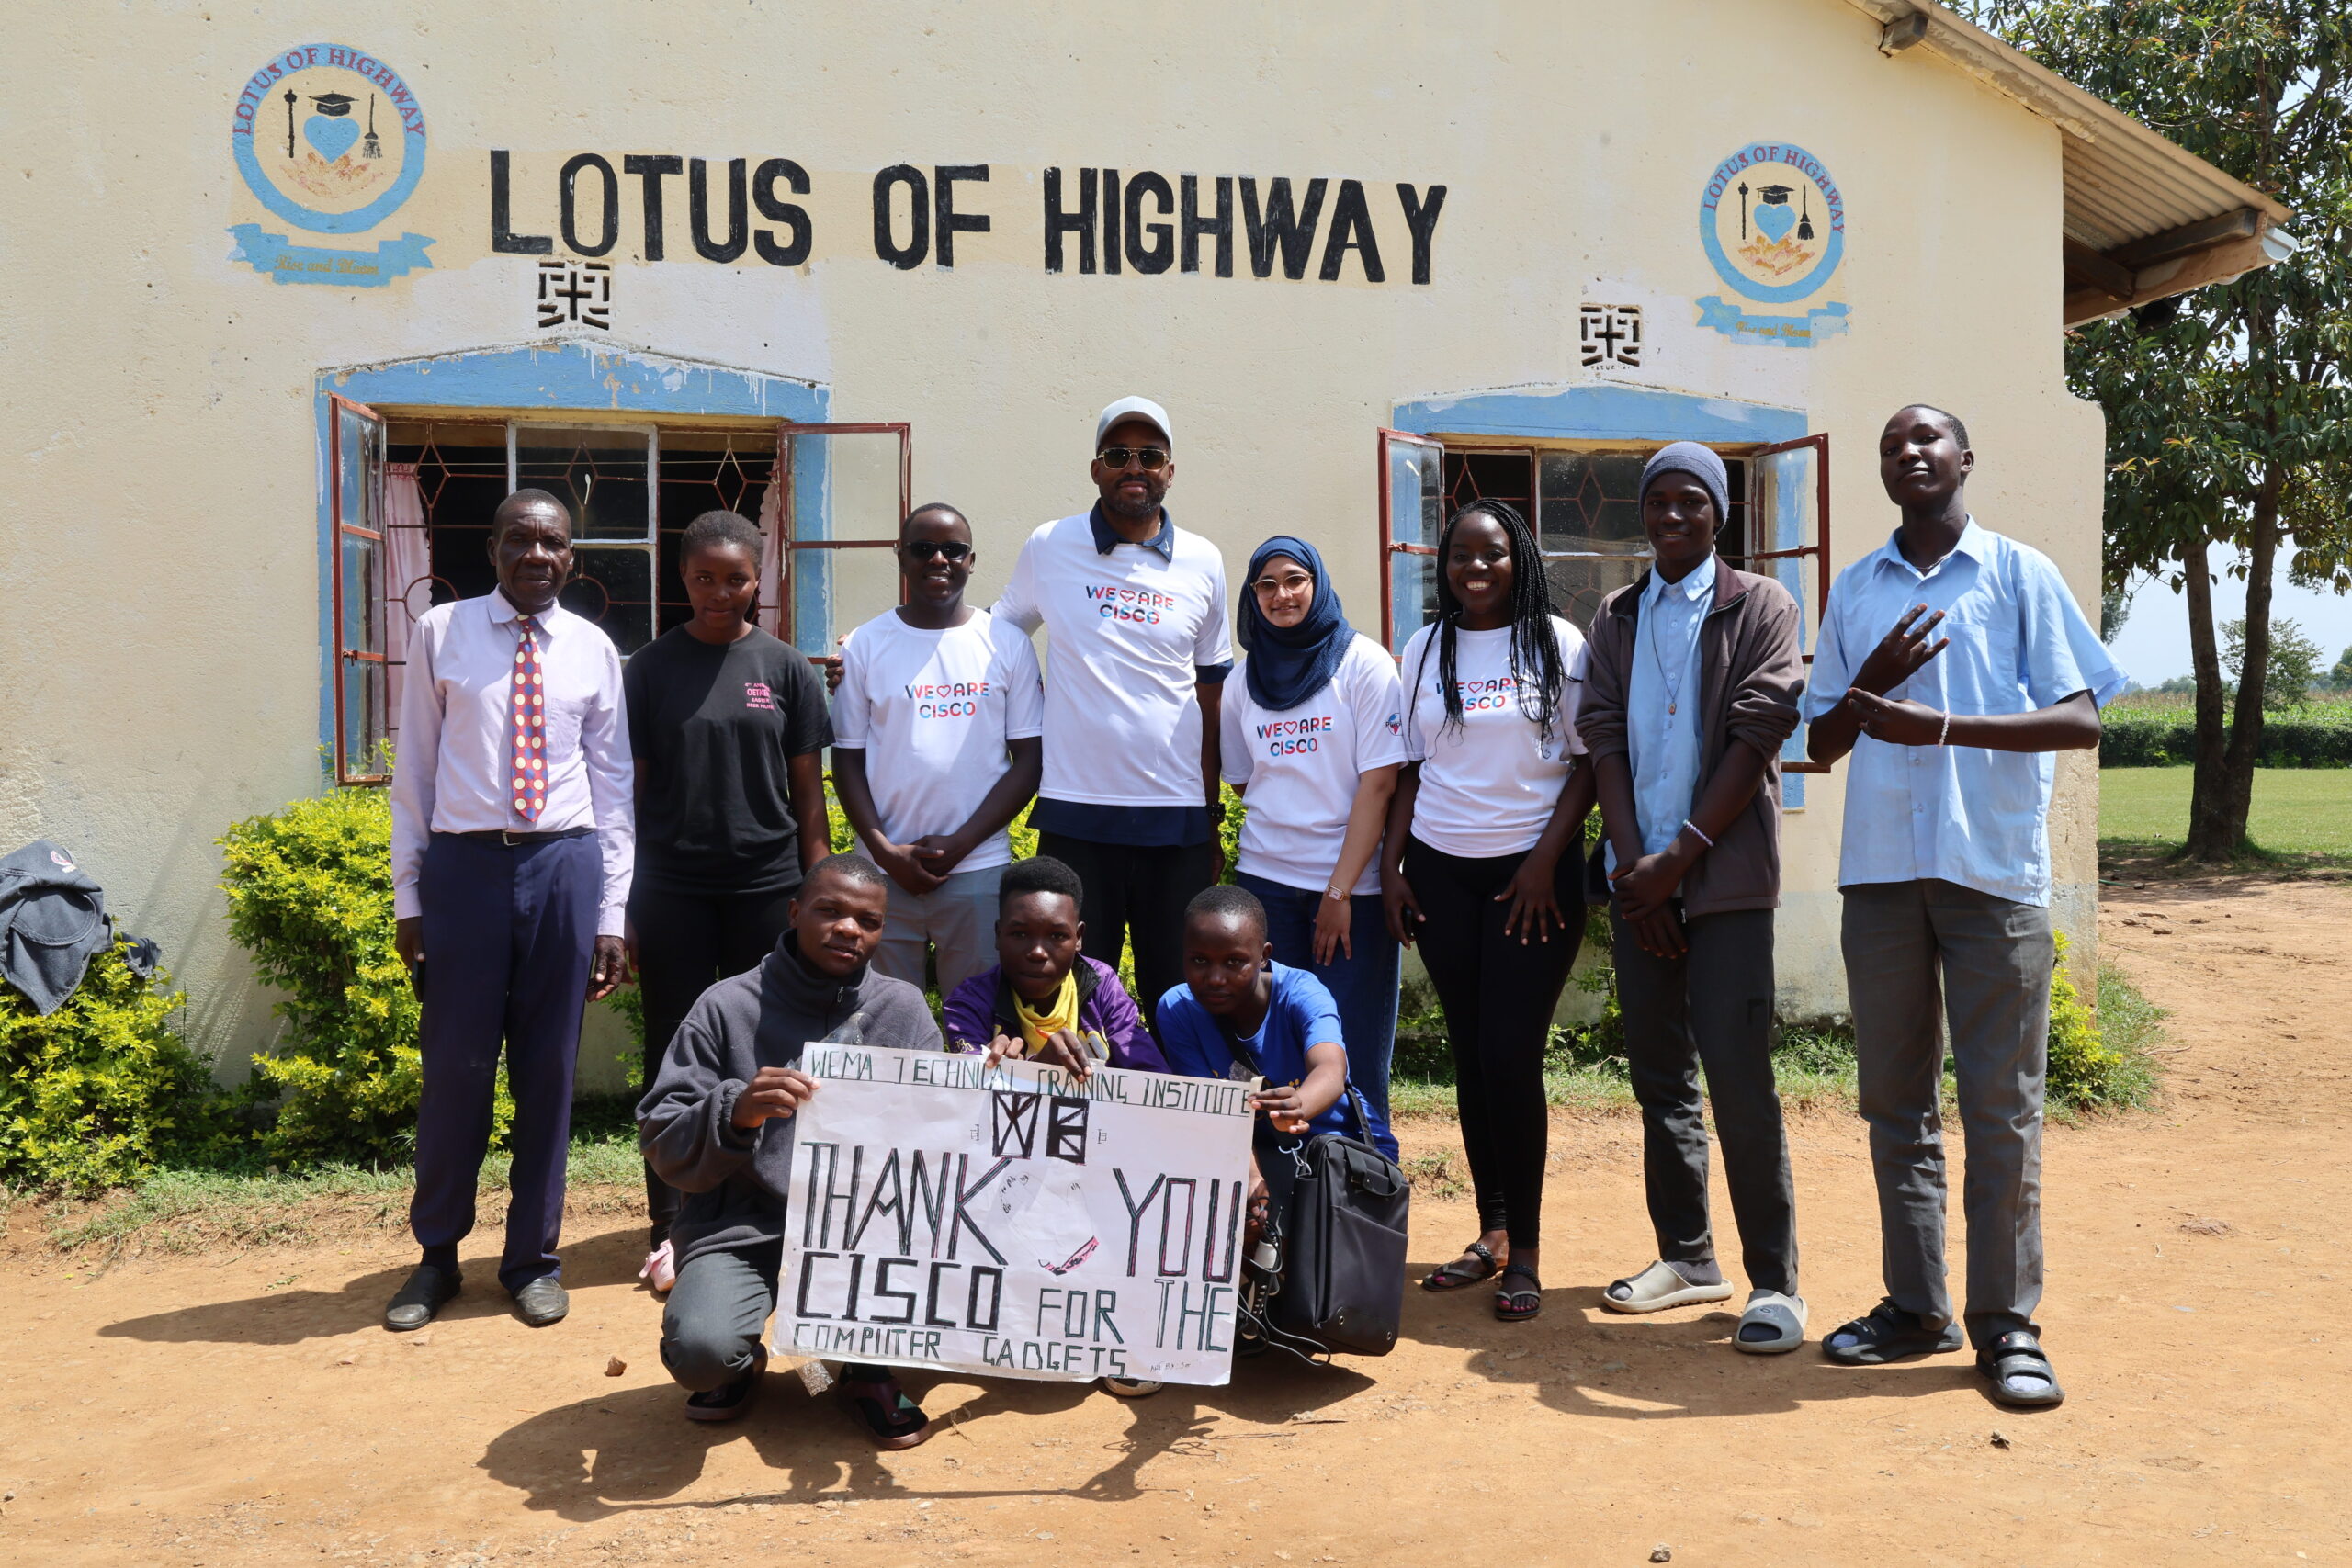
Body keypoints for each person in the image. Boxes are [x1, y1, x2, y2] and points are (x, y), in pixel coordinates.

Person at [1804, 405, 2122, 1409]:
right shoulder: (1855, 588)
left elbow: (2080, 716)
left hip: (1993, 876)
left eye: (1927, 439)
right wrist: (1867, 686)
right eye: (1892, 442)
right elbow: (1818, 743)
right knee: (1894, 1104)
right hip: (1884, 878)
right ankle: (1914, 1307)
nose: (1909, 451)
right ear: (1883, 471)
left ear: (1963, 459)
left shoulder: (2018, 575)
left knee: (2001, 1106)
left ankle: (2007, 1325)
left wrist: (1938, 722)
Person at [1577, 443, 1809, 1354]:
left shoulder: (1762, 606)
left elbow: (1757, 733)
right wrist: (1637, 873)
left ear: (1720, 514)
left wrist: (1678, 862)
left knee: (1739, 1081)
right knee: (1659, 1078)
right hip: (1643, 883)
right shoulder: (1617, 613)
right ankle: (1687, 1255)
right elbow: (1600, 735)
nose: (1672, 518)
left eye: (1692, 504)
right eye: (1658, 504)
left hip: (1724, 887)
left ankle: (1775, 1283)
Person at [387, 489, 633, 1332]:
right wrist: (410, 895)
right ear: (492, 548)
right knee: (454, 1069)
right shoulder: (440, 633)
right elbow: (413, 773)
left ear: (572, 557)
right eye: (520, 540)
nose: (537, 555)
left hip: (563, 864)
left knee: (548, 1072)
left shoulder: (594, 649)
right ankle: (437, 1257)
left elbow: (614, 788)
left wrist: (611, 914)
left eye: (553, 543)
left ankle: (531, 1259)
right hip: (463, 868)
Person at [637, 853, 946, 1447]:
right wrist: (737, 1110)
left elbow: (946, 1128)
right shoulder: (725, 1005)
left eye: (868, 920)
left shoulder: (902, 1009)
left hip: (863, 1233)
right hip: (742, 1225)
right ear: (796, 911)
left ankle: (857, 1371)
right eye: (830, 911)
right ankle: (745, 1359)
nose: (849, 929)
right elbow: (661, 1133)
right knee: (703, 1353)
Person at [1383, 499, 1593, 1324]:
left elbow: (1586, 764)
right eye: (1461, 554)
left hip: (1531, 880)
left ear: (1520, 559)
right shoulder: (1425, 647)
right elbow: (1407, 766)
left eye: (1493, 554)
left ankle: (1529, 1252)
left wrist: (1545, 859)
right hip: (1440, 872)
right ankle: (1492, 1231)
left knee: (1511, 1055)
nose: (1475, 567)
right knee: (1472, 1056)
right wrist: (1395, 868)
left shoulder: (1558, 642)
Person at [622, 509, 832, 1293]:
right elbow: (629, 795)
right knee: (674, 1050)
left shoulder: (786, 669)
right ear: (683, 578)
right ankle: (672, 1211)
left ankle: (766, 1200)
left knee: (766, 1050)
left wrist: (814, 893)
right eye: (704, 577)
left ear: (758, 580)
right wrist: (626, 903)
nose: (720, 591)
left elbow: (808, 795)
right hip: (672, 888)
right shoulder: (647, 670)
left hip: (767, 888)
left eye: (736, 577)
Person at [993, 397, 1233, 1027]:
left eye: (1150, 455)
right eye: (1119, 454)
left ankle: (1177, 1126)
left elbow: (1213, 694)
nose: (1136, 465)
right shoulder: (1050, 545)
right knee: (1065, 998)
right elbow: (995, 634)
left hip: (1174, 822)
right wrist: (890, 642)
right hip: (1078, 817)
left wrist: (1211, 815)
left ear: (1171, 471)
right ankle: (1073, 1125)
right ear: (1096, 469)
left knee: (1177, 998)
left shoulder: (1204, 560)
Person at [1156, 884, 1397, 1388]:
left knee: (1319, 1292)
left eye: (1234, 962)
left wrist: (1299, 1105)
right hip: (1247, 1144)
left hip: (1334, 1146)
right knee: (1217, 1188)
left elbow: (1331, 1067)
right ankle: (1250, 1298)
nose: (1215, 977)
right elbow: (1213, 1115)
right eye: (1199, 961)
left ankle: (1280, 1287)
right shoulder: (1177, 1009)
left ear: (1264, 956)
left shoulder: (1302, 991)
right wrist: (1251, 1182)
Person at [1221, 536, 1408, 1120]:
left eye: (1295, 579)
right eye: (1267, 585)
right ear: (1253, 597)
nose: (1282, 595)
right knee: (1273, 1050)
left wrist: (1339, 891)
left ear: (1318, 584)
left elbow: (1379, 785)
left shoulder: (1363, 664)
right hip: (1266, 888)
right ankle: (1288, 1194)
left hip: (1352, 893)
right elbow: (1244, 781)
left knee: (1348, 1048)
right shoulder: (1240, 683)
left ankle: (1363, 1185)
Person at [832, 504, 1045, 997]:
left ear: (971, 561)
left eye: (953, 550)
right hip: (884, 873)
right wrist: (886, 852)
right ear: (901, 556)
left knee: (975, 1028)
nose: (939, 560)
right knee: (882, 1027)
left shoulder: (1007, 644)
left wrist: (964, 842)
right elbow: (846, 759)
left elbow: (1029, 761)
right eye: (923, 549)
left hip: (977, 869)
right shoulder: (865, 644)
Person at [940, 855, 1167, 1075]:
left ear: (1078, 938)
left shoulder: (1101, 987)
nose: (1038, 952)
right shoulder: (968, 1003)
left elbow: (1151, 1078)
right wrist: (1033, 1071)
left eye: (1057, 936)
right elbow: (968, 1097)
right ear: (998, 935)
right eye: (1019, 934)